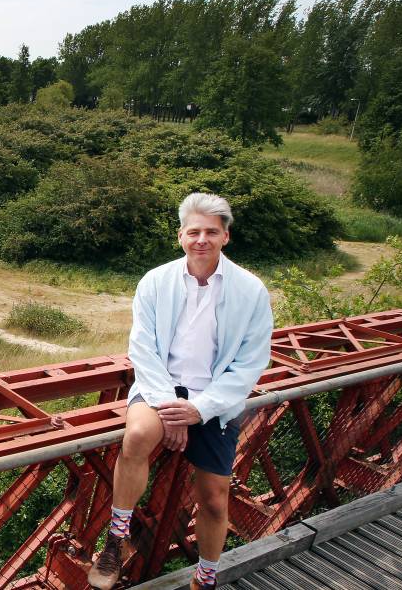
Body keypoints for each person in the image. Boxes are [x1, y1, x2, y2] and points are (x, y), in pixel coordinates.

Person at [87, 193, 273, 590]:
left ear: (226, 236)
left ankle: (205, 577)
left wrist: (199, 409)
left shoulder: (251, 290)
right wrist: (170, 406)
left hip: (215, 399)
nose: (201, 239)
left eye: (211, 231)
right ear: (180, 236)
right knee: (137, 435)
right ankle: (116, 540)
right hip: (159, 388)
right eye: (193, 232)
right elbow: (143, 348)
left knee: (214, 498)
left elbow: (251, 362)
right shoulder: (156, 281)